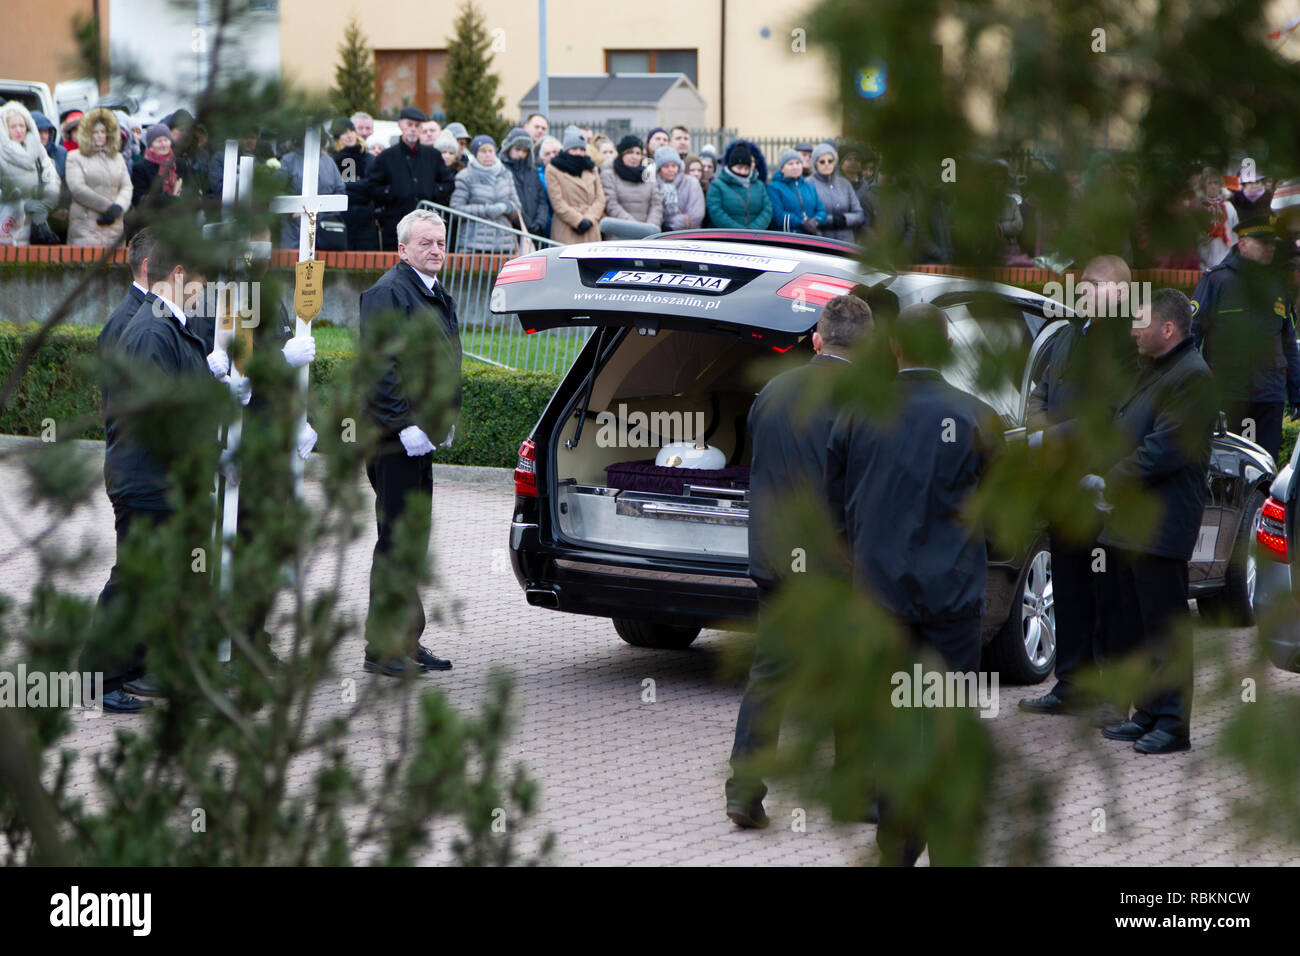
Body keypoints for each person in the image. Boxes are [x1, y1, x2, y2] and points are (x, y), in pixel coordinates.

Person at [825, 302, 1003, 864]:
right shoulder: (977, 417)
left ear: (894, 349)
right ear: (948, 349)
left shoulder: (857, 413)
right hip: (952, 599)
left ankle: (897, 846)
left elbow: (834, 506)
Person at [726, 294, 874, 829]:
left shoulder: (771, 392)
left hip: (774, 558)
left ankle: (744, 789)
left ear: (817, 338)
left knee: (769, 676)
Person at [92, 236, 220, 712]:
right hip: (148, 478)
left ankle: (138, 668)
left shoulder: (169, 326)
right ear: (180, 274)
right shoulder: (152, 330)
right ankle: (99, 678)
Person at [1098, 290, 1216, 754]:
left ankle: (1172, 723)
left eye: (1140, 322)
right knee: (1141, 625)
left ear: (1168, 329)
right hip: (1135, 520)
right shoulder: (1157, 370)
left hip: (1162, 522)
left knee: (1165, 628)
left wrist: (1109, 480)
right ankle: (1148, 711)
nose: (1131, 329)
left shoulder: (1192, 378)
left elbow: (1165, 450)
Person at [1020, 255, 1137, 722]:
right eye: (1083, 285)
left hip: (1102, 484)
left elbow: (1113, 414)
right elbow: (1039, 393)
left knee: (1109, 592)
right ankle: (1071, 683)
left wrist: (1050, 437)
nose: (1085, 292)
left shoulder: (1128, 344)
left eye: (1097, 285)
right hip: (1061, 485)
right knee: (1067, 588)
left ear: (1122, 294)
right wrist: (1040, 431)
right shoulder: (1069, 335)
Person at [358, 209, 460, 676]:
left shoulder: (437, 294)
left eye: (440, 242)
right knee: (396, 542)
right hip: (394, 439)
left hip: (423, 437)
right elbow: (380, 366)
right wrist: (403, 424)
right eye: (425, 243)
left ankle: (406, 638)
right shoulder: (387, 294)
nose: (435, 249)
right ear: (402, 249)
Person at [1191, 212, 1300, 460]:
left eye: (1272, 244)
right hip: (1228, 393)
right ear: (1243, 243)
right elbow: (1192, 333)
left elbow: (1288, 341)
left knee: (1264, 463)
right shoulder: (1217, 281)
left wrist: (1296, 389)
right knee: (1226, 464)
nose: (1269, 249)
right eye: (1263, 243)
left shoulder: (1276, 286)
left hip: (1268, 395)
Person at [361, 106, 454, 251]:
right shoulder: (386, 157)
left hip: (426, 223)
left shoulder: (433, 155)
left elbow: (448, 183)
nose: (413, 129)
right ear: (400, 125)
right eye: (409, 125)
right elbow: (372, 186)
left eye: (417, 126)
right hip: (395, 224)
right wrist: (392, 192)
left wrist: (431, 192)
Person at [65, 107, 132, 246]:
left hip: (114, 227)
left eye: (103, 132)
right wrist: (108, 207)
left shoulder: (118, 158)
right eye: (95, 132)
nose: (100, 135)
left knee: (116, 266)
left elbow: (127, 186)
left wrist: (119, 207)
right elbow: (77, 188)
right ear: (88, 134)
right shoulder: (74, 157)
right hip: (85, 228)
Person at [0, 100, 62, 245]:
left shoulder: (38, 149)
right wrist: (22, 205)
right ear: (4, 128)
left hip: (32, 226)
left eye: (22, 125)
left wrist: (45, 205)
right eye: (13, 126)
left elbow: (52, 179)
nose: (18, 130)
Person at [451, 134, 523, 252]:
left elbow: (517, 208)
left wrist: (506, 207)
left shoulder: (505, 174)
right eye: (483, 151)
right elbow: (456, 209)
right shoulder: (465, 176)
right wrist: (487, 210)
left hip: (504, 244)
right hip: (474, 244)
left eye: (491, 151)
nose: (488, 155)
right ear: (475, 154)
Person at [277, 137, 348, 251]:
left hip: (323, 227)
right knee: (292, 264)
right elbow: (277, 188)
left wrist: (328, 213)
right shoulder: (288, 161)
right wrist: (292, 211)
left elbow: (340, 190)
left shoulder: (328, 161)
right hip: (295, 227)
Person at [546, 130, 605, 244]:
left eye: (582, 149)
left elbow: (600, 198)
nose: (578, 153)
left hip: (591, 227)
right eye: (574, 149)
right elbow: (557, 201)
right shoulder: (553, 169)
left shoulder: (591, 168)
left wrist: (590, 218)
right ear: (566, 150)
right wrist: (578, 221)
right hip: (567, 228)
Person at [598, 135, 662, 239]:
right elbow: (611, 204)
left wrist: (650, 228)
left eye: (638, 153)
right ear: (622, 154)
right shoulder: (609, 174)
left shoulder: (648, 174)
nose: (634, 156)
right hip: (618, 234)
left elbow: (656, 204)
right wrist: (634, 227)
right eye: (630, 152)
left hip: (646, 237)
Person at [331, 117, 379, 251]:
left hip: (366, 221)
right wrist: (358, 187)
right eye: (344, 132)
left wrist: (345, 186)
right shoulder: (331, 159)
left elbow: (371, 185)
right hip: (341, 220)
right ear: (337, 137)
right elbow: (332, 187)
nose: (349, 135)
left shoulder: (369, 158)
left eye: (351, 130)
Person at [706, 142, 772, 230]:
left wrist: (754, 229)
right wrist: (739, 231)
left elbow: (767, 209)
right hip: (727, 238)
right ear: (730, 166)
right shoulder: (717, 185)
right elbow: (716, 211)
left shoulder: (759, 185)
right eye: (739, 168)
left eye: (746, 168)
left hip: (756, 236)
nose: (743, 172)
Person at [809, 143, 865, 242]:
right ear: (815, 164)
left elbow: (859, 215)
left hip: (846, 243)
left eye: (830, 161)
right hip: (821, 242)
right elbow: (810, 218)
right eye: (822, 162)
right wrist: (832, 220)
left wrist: (844, 219)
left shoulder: (844, 183)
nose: (826, 164)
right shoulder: (809, 184)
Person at [500, 126, 548, 239]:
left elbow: (542, 201)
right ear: (509, 148)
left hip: (535, 232)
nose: (521, 154)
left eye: (525, 151)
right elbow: (507, 199)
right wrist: (526, 223)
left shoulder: (532, 171)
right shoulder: (502, 169)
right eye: (517, 149)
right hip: (512, 231)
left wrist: (539, 223)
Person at [768, 148, 827, 233]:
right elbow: (778, 216)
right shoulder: (774, 188)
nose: (795, 167)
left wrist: (815, 221)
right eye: (790, 164)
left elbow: (821, 210)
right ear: (782, 169)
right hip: (788, 238)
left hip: (811, 237)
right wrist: (801, 222)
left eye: (798, 163)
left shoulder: (810, 187)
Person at [132, 124, 184, 213]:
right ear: (151, 146)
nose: (163, 144)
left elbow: (192, 189)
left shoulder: (179, 164)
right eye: (159, 141)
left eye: (166, 140)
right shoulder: (141, 168)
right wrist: (165, 199)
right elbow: (138, 200)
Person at [655, 146, 704, 231]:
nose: (671, 170)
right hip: (660, 235)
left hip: (688, 234)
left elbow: (696, 215)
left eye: (674, 166)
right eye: (666, 166)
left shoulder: (691, 182)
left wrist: (671, 225)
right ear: (659, 169)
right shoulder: (654, 185)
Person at [31, 111, 67, 180]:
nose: (44, 136)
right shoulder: (26, 156)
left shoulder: (61, 153)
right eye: (39, 132)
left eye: (46, 132)